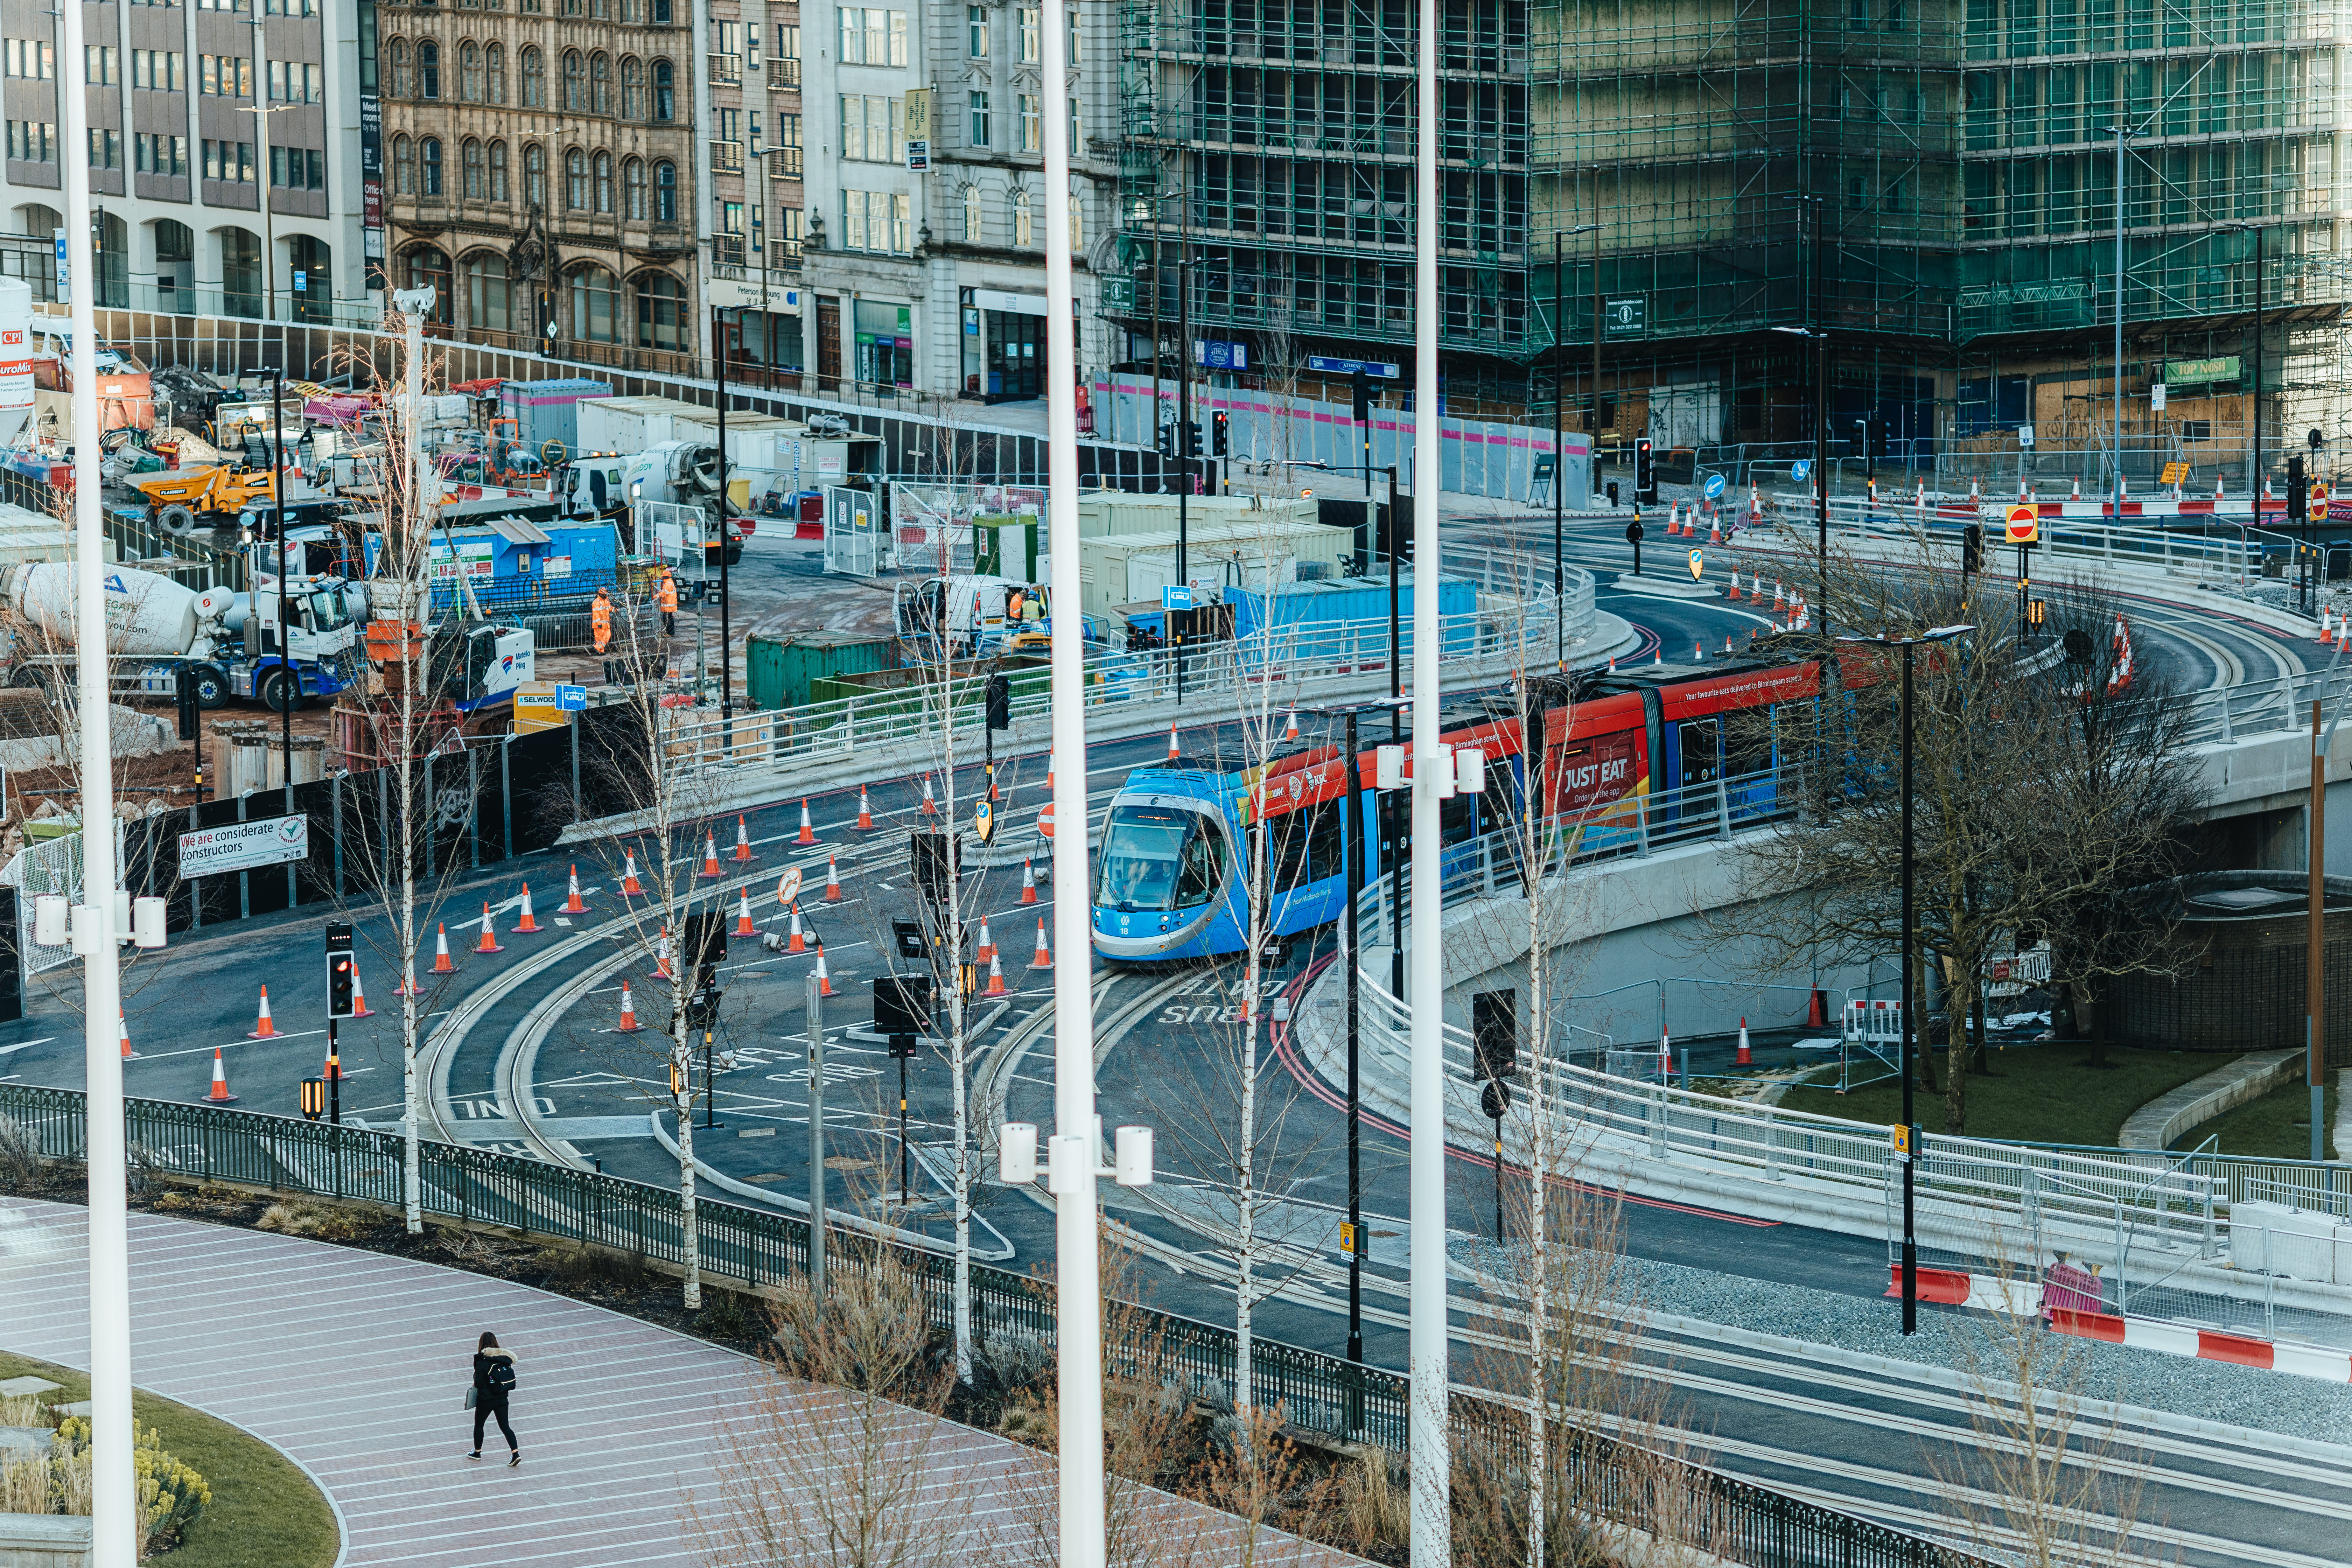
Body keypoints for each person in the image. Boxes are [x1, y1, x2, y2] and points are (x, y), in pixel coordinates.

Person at [469, 1330, 520, 1464]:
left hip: (486, 1400)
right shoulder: (503, 1359)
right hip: (503, 1398)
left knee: (479, 1425)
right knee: (506, 1427)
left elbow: (479, 1382)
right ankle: (515, 1454)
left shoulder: (482, 1360)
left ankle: (477, 1452)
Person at [591, 586, 612, 655]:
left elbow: (610, 608)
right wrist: (599, 623)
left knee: (607, 636)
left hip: (605, 623)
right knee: (599, 639)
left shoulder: (606, 601)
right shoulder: (596, 602)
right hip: (599, 624)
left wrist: (615, 610)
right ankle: (600, 651)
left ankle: (597, 648)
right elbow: (596, 614)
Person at [657, 568, 678, 637]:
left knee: (667, 619)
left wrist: (657, 596)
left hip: (668, 606)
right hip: (669, 605)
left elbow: (664, 594)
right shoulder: (669, 583)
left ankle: (670, 633)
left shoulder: (668, 584)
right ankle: (671, 633)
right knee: (669, 619)